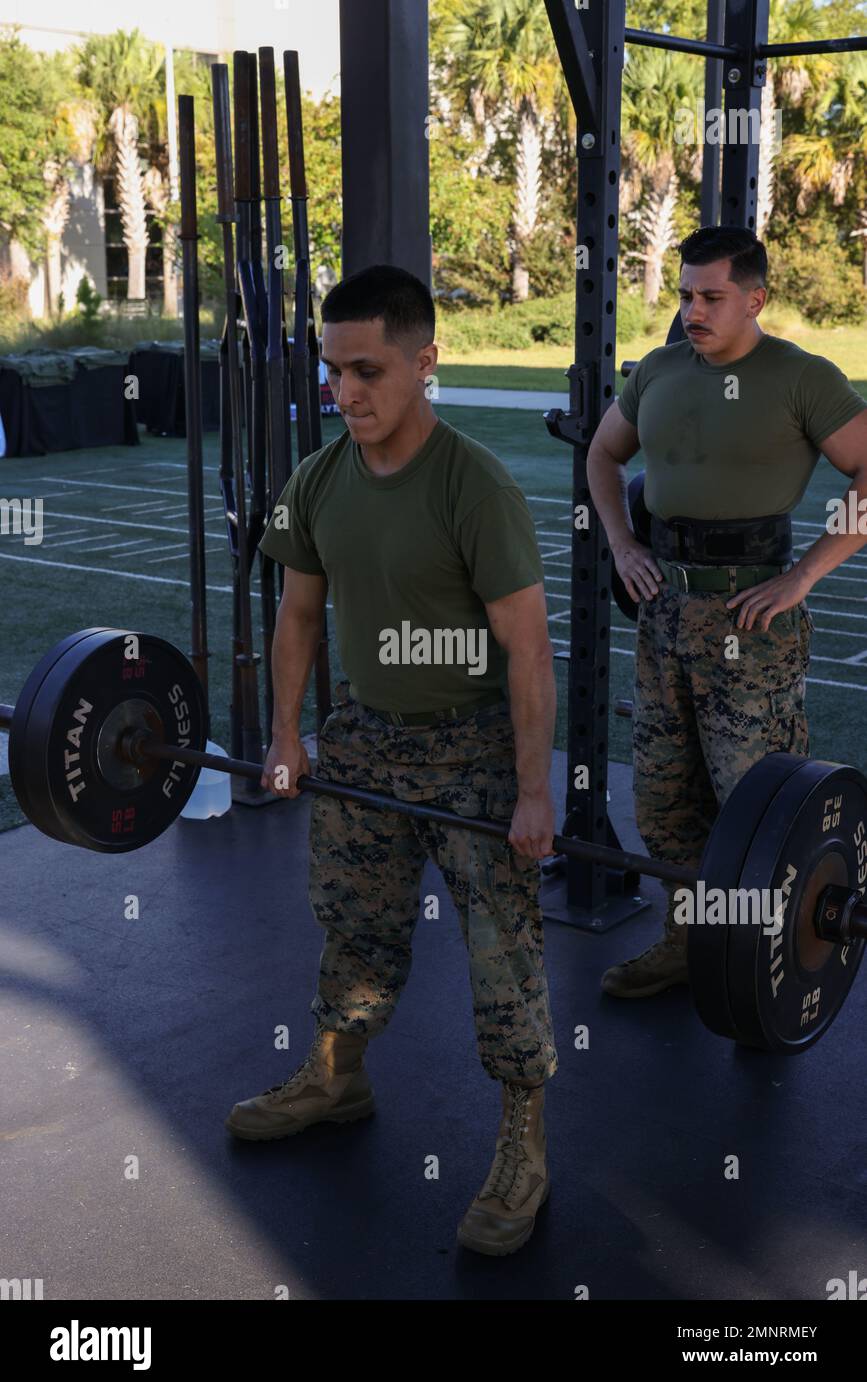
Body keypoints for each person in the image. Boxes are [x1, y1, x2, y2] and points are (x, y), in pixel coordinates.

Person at [225, 264, 559, 1257]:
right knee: (356, 927)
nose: (346, 392)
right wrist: (287, 734)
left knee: (502, 955)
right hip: (365, 735)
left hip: (471, 748)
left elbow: (529, 649)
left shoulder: (474, 487)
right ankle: (337, 1073)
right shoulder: (318, 480)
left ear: (425, 362)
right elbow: (296, 614)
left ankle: (525, 1143)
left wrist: (535, 790)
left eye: (367, 369)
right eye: (333, 371)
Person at [588, 225, 867, 998]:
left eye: (711, 297)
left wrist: (802, 576)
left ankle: (770, 969)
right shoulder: (655, 372)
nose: (692, 312)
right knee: (661, 799)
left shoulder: (800, 377)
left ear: (755, 299)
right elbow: (603, 455)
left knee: (756, 809)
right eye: (683, 295)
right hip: (663, 615)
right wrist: (621, 544)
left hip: (753, 624)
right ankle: (687, 943)